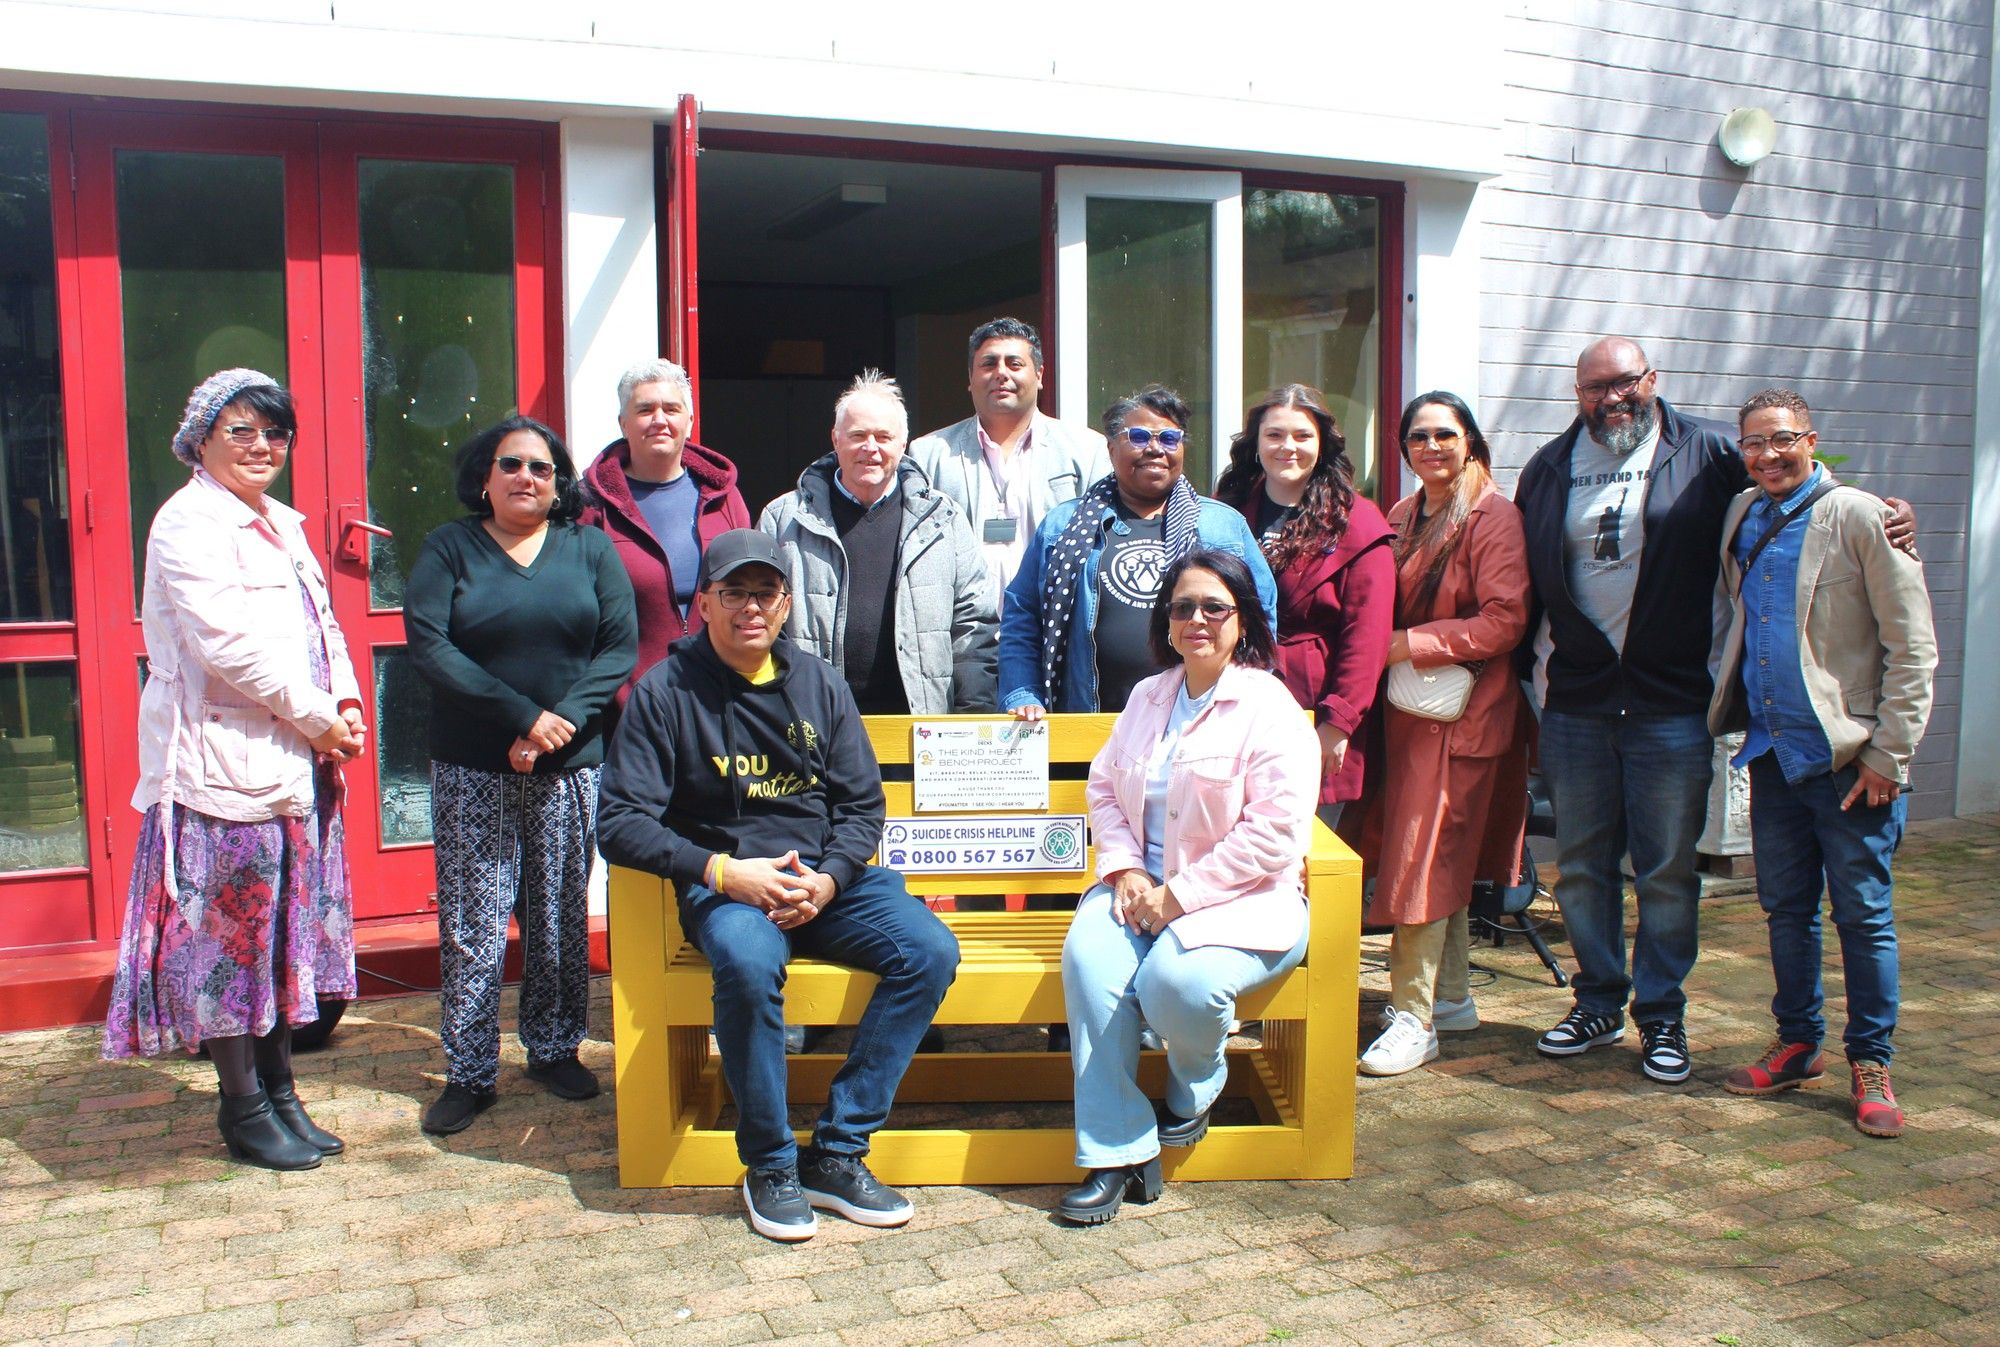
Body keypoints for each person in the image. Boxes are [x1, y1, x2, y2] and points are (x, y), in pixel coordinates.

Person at [1515, 337, 1916, 1084]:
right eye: (1595, 387)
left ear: (1652, 379)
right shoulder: (1547, 468)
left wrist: (1887, 513)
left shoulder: (1707, 452)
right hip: (1577, 701)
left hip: (1671, 702)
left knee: (1667, 869)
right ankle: (1598, 1000)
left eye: (1625, 382)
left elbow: (1795, 495)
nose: (1612, 399)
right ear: (1577, 392)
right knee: (1580, 867)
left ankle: (1661, 1018)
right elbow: (1526, 578)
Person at [598, 530, 959, 1242]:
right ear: (704, 602)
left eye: (766, 592)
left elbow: (862, 805)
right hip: (729, 885)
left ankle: (838, 1150)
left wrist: (826, 881)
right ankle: (767, 1161)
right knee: (747, 961)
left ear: (788, 602)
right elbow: (618, 820)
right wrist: (721, 871)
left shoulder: (818, 682)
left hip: (824, 882)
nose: (751, 607)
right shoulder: (665, 692)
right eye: (734, 592)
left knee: (929, 950)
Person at [102, 369, 366, 1171]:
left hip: (295, 762)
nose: (262, 446)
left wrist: (347, 705)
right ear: (202, 439)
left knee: (284, 936)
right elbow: (228, 649)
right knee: (229, 949)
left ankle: (283, 1090)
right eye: (241, 431)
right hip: (224, 771)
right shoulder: (186, 524)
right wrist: (320, 717)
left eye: (274, 432)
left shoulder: (281, 522)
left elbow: (326, 625)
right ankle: (242, 1105)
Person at [1056, 549, 1317, 1223]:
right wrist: (1129, 870)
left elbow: (1274, 835)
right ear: (1165, 620)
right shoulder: (1149, 696)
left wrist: (1176, 898)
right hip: (1136, 891)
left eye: (1213, 607)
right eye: (1181, 607)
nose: (1195, 619)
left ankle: (1195, 1084)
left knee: (1178, 984)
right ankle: (1115, 1151)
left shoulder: (1270, 707)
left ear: (1242, 619)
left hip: (1243, 904)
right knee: (1090, 959)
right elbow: (1105, 788)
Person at [1709, 389, 1935, 1137]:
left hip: (1850, 761)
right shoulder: (1744, 514)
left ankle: (1871, 1061)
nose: (1768, 455)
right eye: (1753, 443)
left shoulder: (1863, 516)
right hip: (1773, 754)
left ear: (1811, 439)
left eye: (1782, 440)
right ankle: (1798, 1040)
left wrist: (1889, 755)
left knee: (1864, 916)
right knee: (1786, 911)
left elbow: (1914, 648)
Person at [404, 416, 638, 1135]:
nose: (526, 477)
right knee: (474, 919)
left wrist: (558, 722)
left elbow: (618, 644)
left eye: (541, 467)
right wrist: (520, 717)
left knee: (559, 912)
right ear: (485, 475)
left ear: (558, 482)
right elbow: (430, 642)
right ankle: (470, 1069)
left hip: (569, 766)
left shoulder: (589, 548)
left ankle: (553, 1046)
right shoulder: (451, 547)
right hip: (475, 764)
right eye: (511, 464)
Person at [1355, 393, 1532, 1076]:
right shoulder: (1403, 513)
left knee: (1421, 855)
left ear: (1470, 440)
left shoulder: (1495, 516)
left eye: (1446, 434)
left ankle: (1413, 1017)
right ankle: (1452, 995)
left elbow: (1505, 620)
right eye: (1419, 435)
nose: (1432, 446)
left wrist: (1409, 643)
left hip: (1464, 714)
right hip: (1408, 714)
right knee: (1435, 850)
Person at [999, 384, 1278, 719]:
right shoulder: (1063, 525)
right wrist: (1022, 692)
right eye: (1140, 436)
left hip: (1200, 724)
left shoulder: (1223, 526)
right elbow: (1023, 617)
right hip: (1088, 723)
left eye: (1169, 438)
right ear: (1111, 447)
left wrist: (1242, 698)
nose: (1155, 449)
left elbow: (1261, 618)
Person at [759, 370, 996, 713]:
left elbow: (974, 627)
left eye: (883, 437)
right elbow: (765, 629)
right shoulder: (783, 519)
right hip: (815, 726)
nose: (871, 448)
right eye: (858, 435)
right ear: (836, 439)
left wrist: (972, 718)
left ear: (902, 444)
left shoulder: (944, 520)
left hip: (920, 730)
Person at [1215, 383, 1395, 829]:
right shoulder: (1226, 511)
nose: (1287, 447)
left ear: (1322, 444)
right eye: (1274, 435)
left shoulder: (1358, 523)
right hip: (1227, 699)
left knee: (1302, 847)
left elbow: (1366, 637)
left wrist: (1338, 722)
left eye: (1301, 435)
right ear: (1255, 444)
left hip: (1313, 705)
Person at [580, 358, 750, 704]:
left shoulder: (725, 497)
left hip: (718, 697)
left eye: (671, 409)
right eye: (645, 409)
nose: (660, 420)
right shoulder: (591, 504)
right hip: (628, 703)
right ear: (623, 424)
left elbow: (749, 589)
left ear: (689, 421)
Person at [907, 316, 1111, 605]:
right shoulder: (929, 455)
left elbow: (1103, 548)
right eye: (988, 364)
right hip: (964, 635)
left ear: (1039, 375)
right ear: (970, 378)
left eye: (1014, 364)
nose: (1001, 373)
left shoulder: (1086, 451)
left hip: (1052, 632)